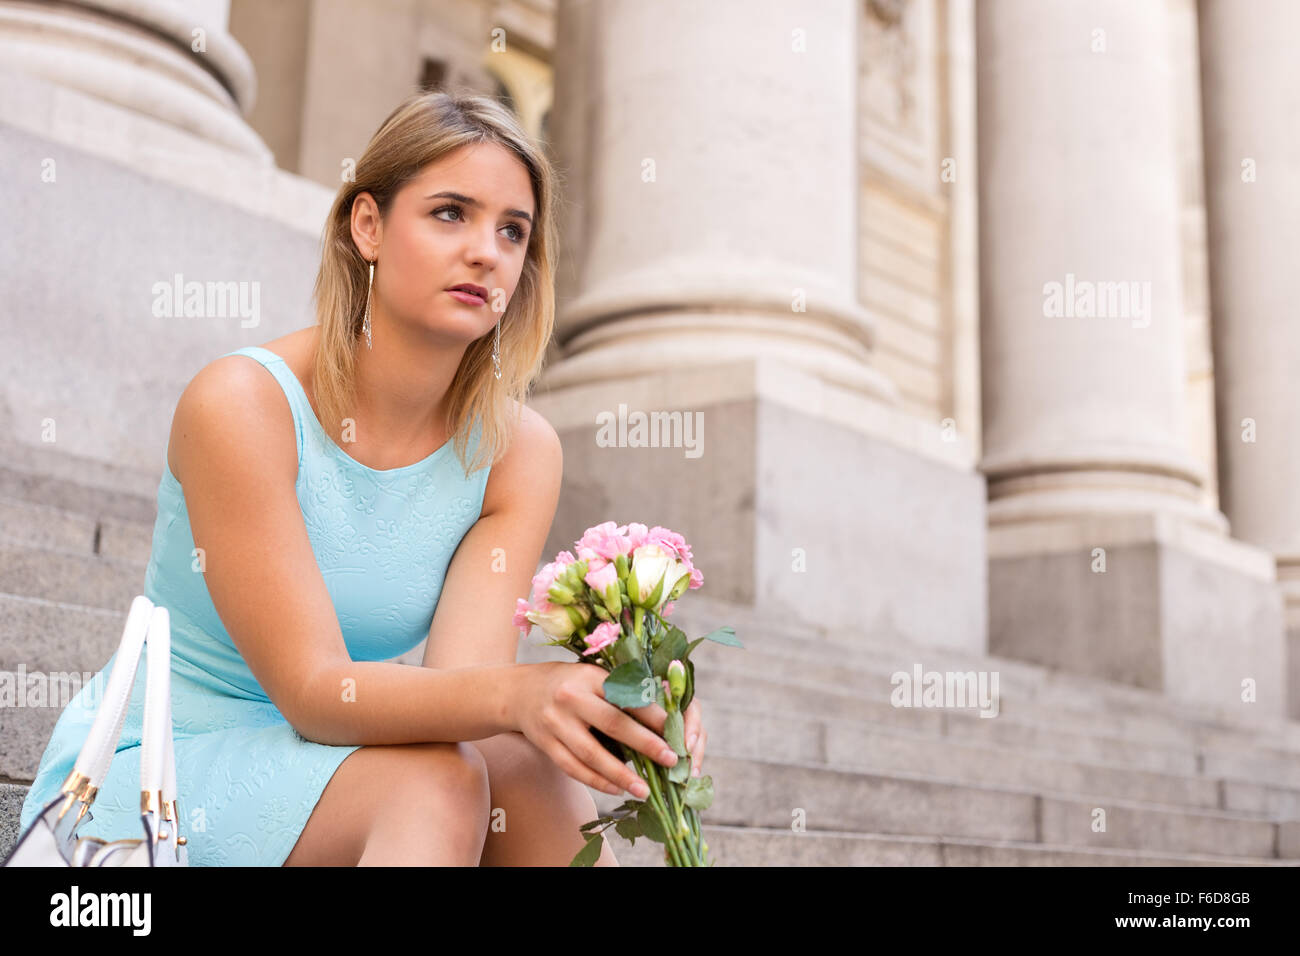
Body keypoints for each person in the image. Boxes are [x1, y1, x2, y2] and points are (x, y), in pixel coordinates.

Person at [17, 89, 708, 866]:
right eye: (451, 213)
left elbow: (467, 687)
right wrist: (527, 694)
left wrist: (617, 705)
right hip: (164, 774)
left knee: (522, 762)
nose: (487, 251)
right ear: (368, 226)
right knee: (439, 783)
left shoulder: (518, 450)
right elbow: (313, 692)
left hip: (341, 766)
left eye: (513, 231)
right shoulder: (244, 404)